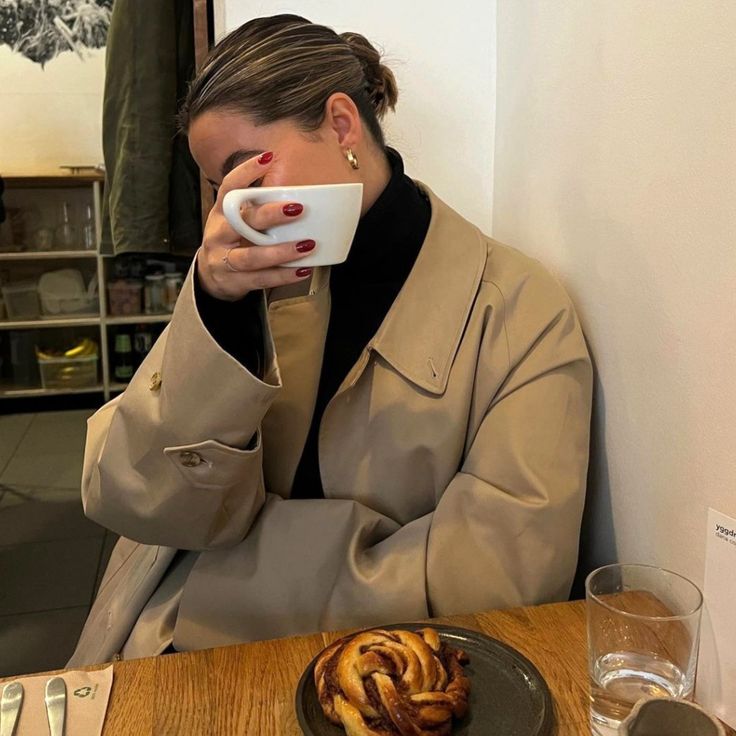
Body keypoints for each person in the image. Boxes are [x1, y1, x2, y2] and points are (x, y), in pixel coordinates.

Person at [69, 14, 592, 666]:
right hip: (172, 655)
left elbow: (502, 582)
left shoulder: (517, 310)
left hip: (384, 675)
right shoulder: (236, 286)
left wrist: (238, 558)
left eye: (248, 172)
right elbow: (134, 498)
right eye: (220, 191)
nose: (235, 210)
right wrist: (216, 315)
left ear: (342, 124)